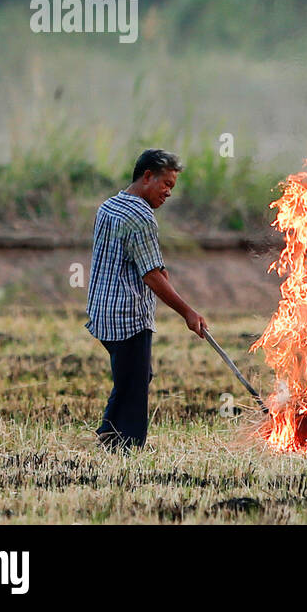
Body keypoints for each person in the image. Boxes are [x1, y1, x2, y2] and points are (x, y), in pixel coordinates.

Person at [85, 148, 207, 451]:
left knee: (131, 375)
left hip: (101, 310)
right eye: (166, 184)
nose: (168, 193)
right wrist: (188, 312)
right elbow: (151, 276)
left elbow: (150, 265)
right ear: (147, 176)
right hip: (127, 315)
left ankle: (108, 433)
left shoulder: (109, 206)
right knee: (135, 382)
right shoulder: (141, 217)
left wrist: (162, 274)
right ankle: (127, 445)